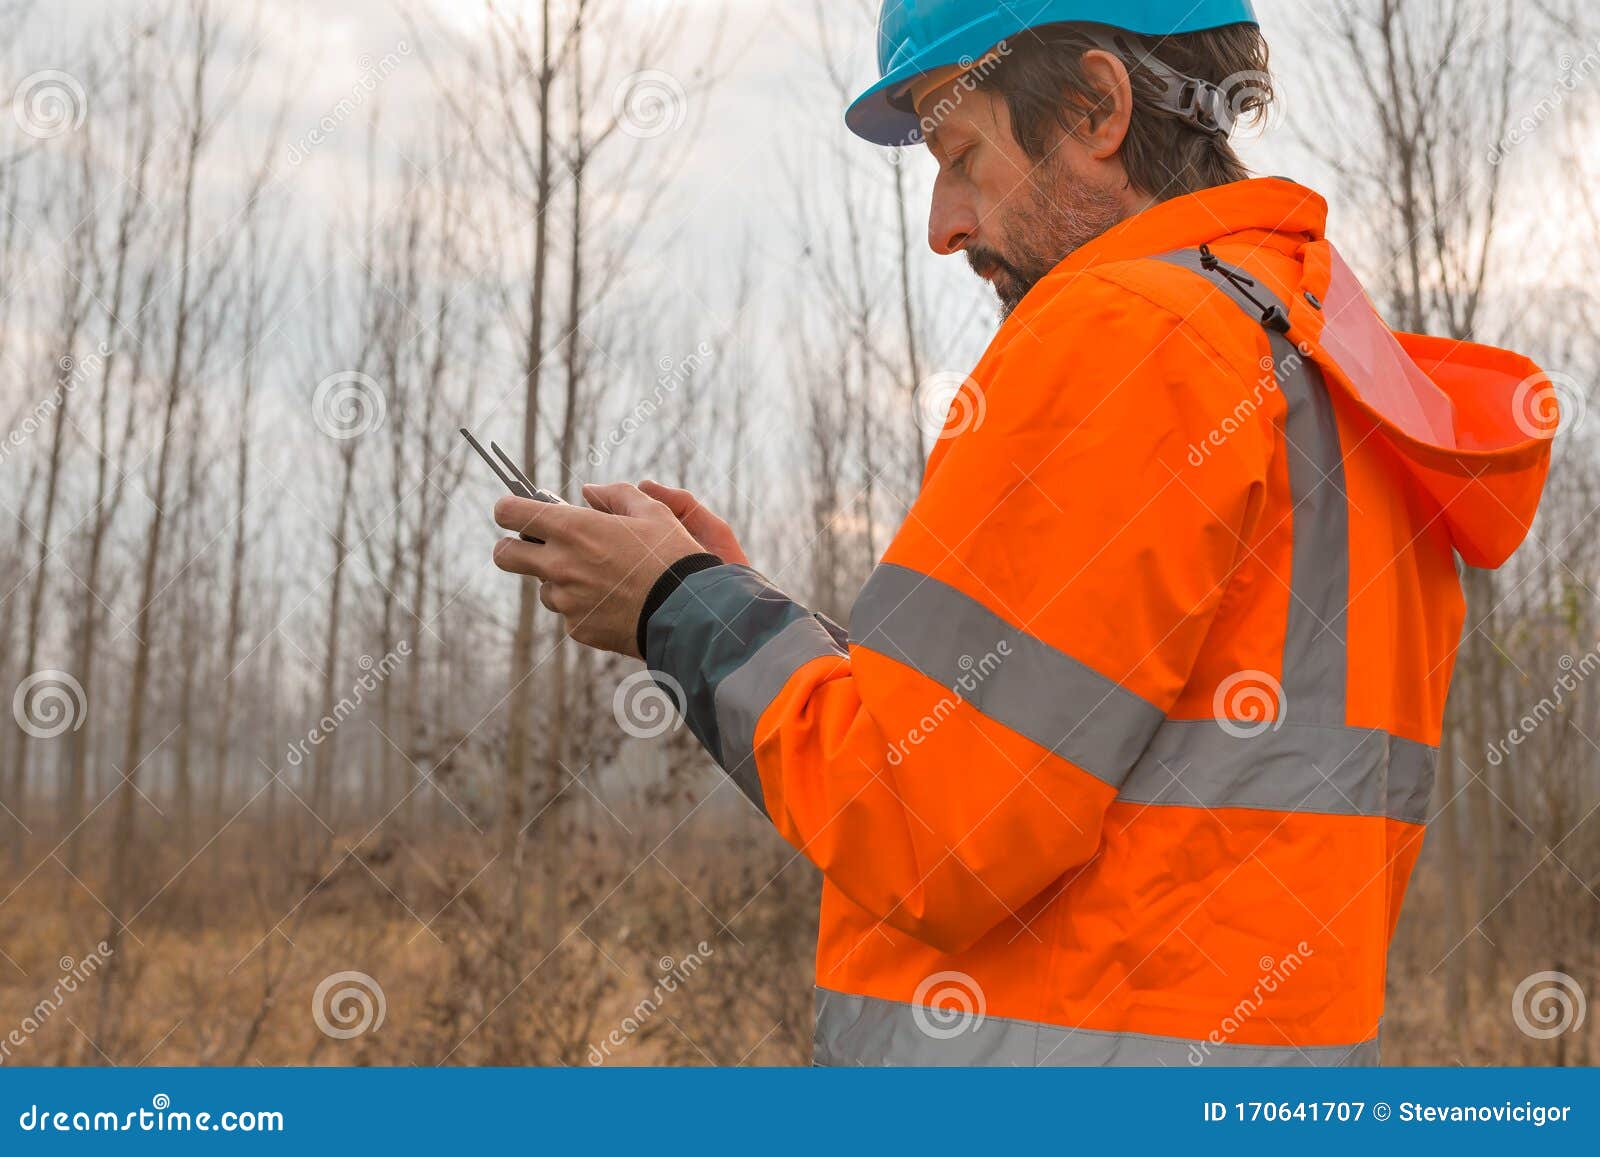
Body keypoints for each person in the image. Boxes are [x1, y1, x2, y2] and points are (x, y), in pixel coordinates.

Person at [489, 0, 1557, 1065]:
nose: (942, 224)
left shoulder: (1125, 337)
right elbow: (1071, 752)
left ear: (1096, 106)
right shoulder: (1317, 377)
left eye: (960, 155)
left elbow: (924, 827)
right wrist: (736, 596)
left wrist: (679, 608)